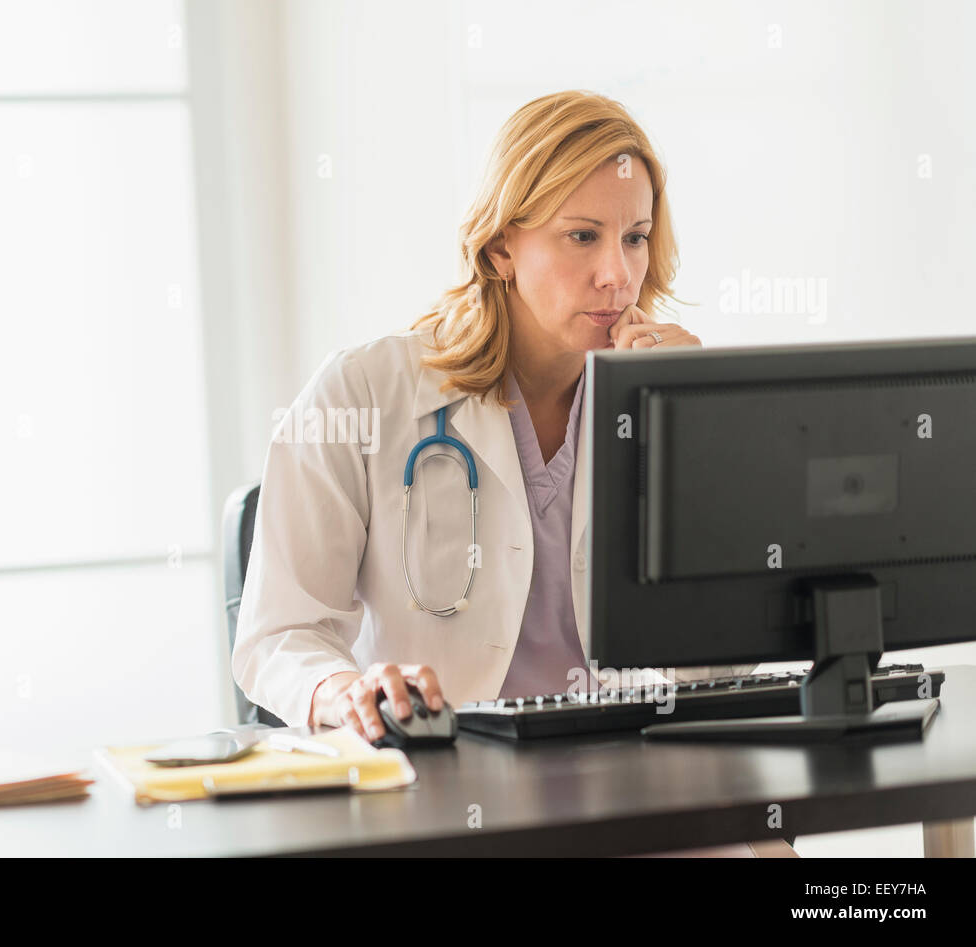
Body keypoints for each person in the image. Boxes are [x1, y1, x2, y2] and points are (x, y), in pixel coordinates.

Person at [232, 91, 785, 857]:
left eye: (635, 237)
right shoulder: (363, 392)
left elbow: (716, 664)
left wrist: (696, 440)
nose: (616, 275)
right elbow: (279, 635)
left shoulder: (662, 394)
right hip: (444, 799)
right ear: (499, 249)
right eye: (581, 237)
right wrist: (344, 690)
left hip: (639, 791)